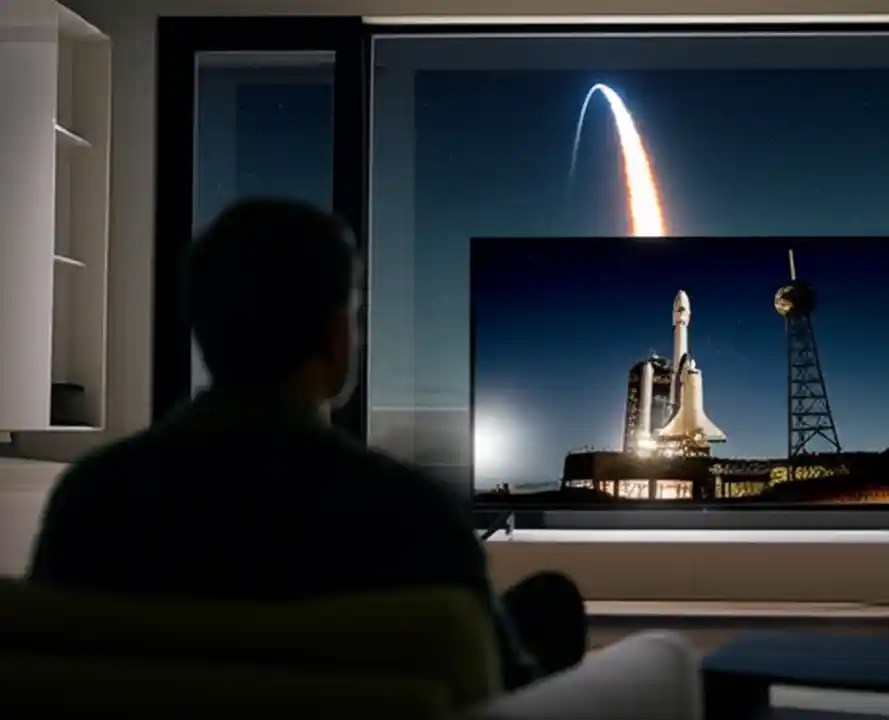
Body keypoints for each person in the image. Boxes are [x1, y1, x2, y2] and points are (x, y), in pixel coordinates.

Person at [28, 198, 585, 689]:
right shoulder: (407, 515)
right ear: (337, 336)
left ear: (200, 327)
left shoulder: (91, 499)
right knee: (550, 605)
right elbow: (505, 686)